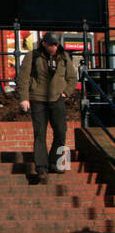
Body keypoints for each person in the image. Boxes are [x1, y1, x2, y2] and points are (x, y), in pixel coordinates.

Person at [18, 32, 78, 184]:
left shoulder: (63, 57)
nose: (54, 47)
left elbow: (72, 78)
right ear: (44, 43)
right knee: (40, 133)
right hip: (37, 98)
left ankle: (55, 162)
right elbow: (23, 78)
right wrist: (24, 98)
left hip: (57, 98)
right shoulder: (33, 56)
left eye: (56, 44)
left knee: (60, 131)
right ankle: (41, 167)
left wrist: (66, 92)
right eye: (52, 44)